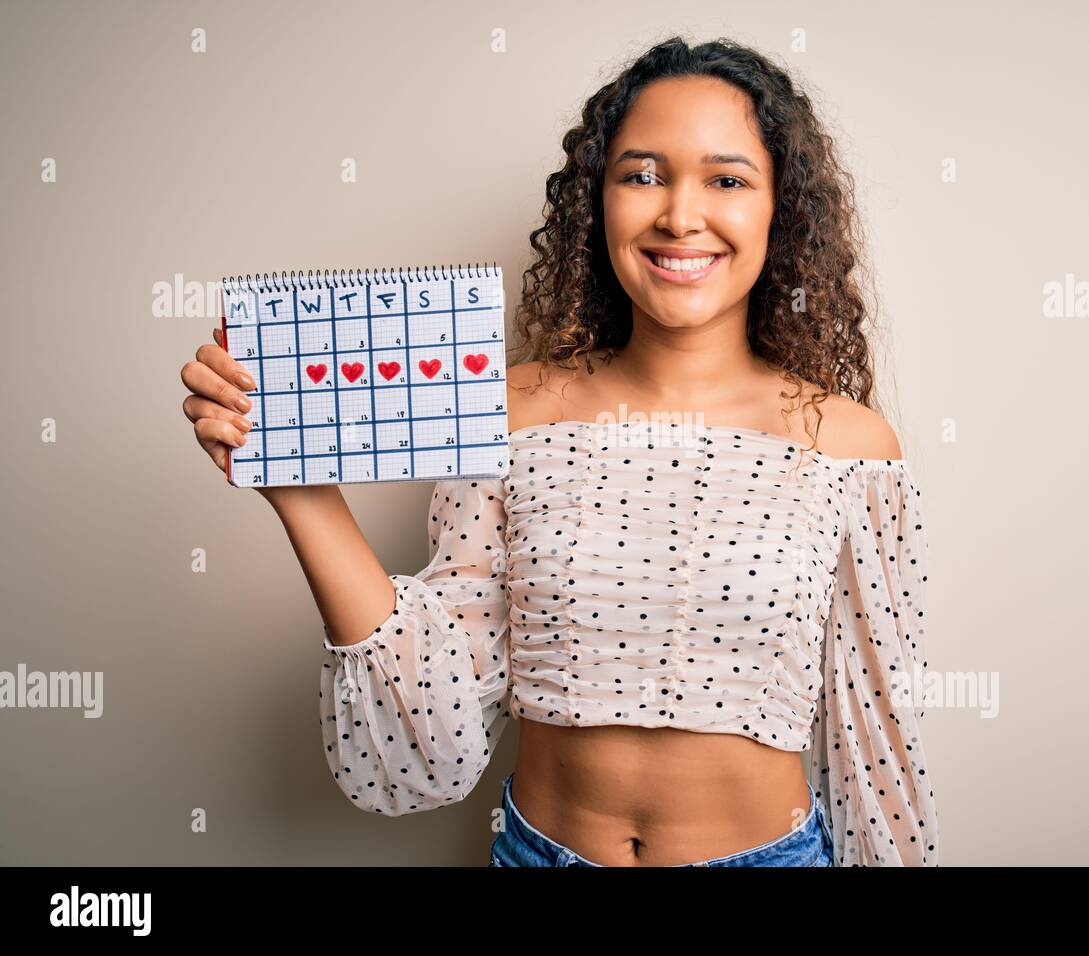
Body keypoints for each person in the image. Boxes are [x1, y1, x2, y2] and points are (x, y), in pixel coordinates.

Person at [179, 36, 937, 867]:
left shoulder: (851, 446)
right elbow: (434, 735)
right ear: (597, 201)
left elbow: (876, 732)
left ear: (779, 210)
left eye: (727, 179)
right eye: (641, 174)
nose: (680, 214)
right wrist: (299, 486)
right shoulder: (508, 414)